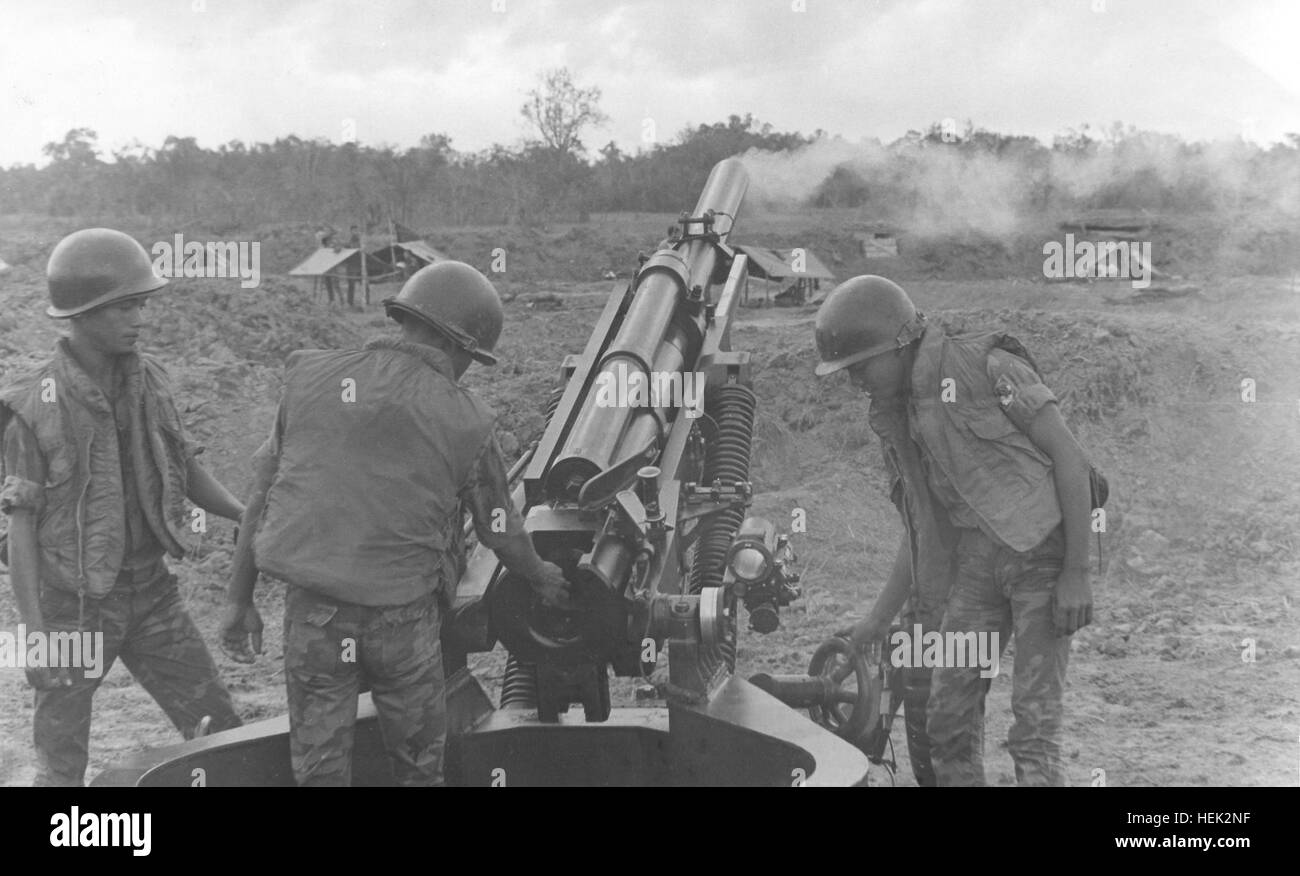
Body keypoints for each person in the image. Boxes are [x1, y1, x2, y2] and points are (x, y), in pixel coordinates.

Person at [220, 260, 571, 787]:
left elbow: (262, 495)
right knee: (418, 769)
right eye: (471, 359)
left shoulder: (311, 380)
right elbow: (498, 526)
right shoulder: (466, 418)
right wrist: (542, 576)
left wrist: (238, 599)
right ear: (457, 346)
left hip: (314, 615)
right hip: (401, 623)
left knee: (320, 769)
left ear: (404, 319)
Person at [813, 275, 1095, 787]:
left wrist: (1076, 572)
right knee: (946, 719)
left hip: (1043, 557)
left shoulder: (987, 367)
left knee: (1033, 730)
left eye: (860, 366)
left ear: (900, 343)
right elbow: (919, 529)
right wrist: (876, 620)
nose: (855, 382)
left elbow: (1071, 461)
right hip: (978, 568)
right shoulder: (896, 420)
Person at [0, 228, 246, 786]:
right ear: (82, 313)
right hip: (73, 608)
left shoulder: (149, 379)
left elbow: (183, 466)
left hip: (153, 594)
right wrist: (34, 635)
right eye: (126, 308)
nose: (139, 320)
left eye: (141, 306)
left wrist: (243, 512)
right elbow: (21, 526)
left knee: (220, 735)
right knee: (61, 764)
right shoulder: (35, 403)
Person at [345, 225, 362, 308]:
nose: (356, 232)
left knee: (365, 284)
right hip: (351, 266)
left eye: (357, 230)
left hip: (360, 265)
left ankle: (366, 301)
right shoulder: (349, 242)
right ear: (351, 232)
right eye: (354, 231)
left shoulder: (360, 241)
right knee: (351, 285)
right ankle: (350, 302)